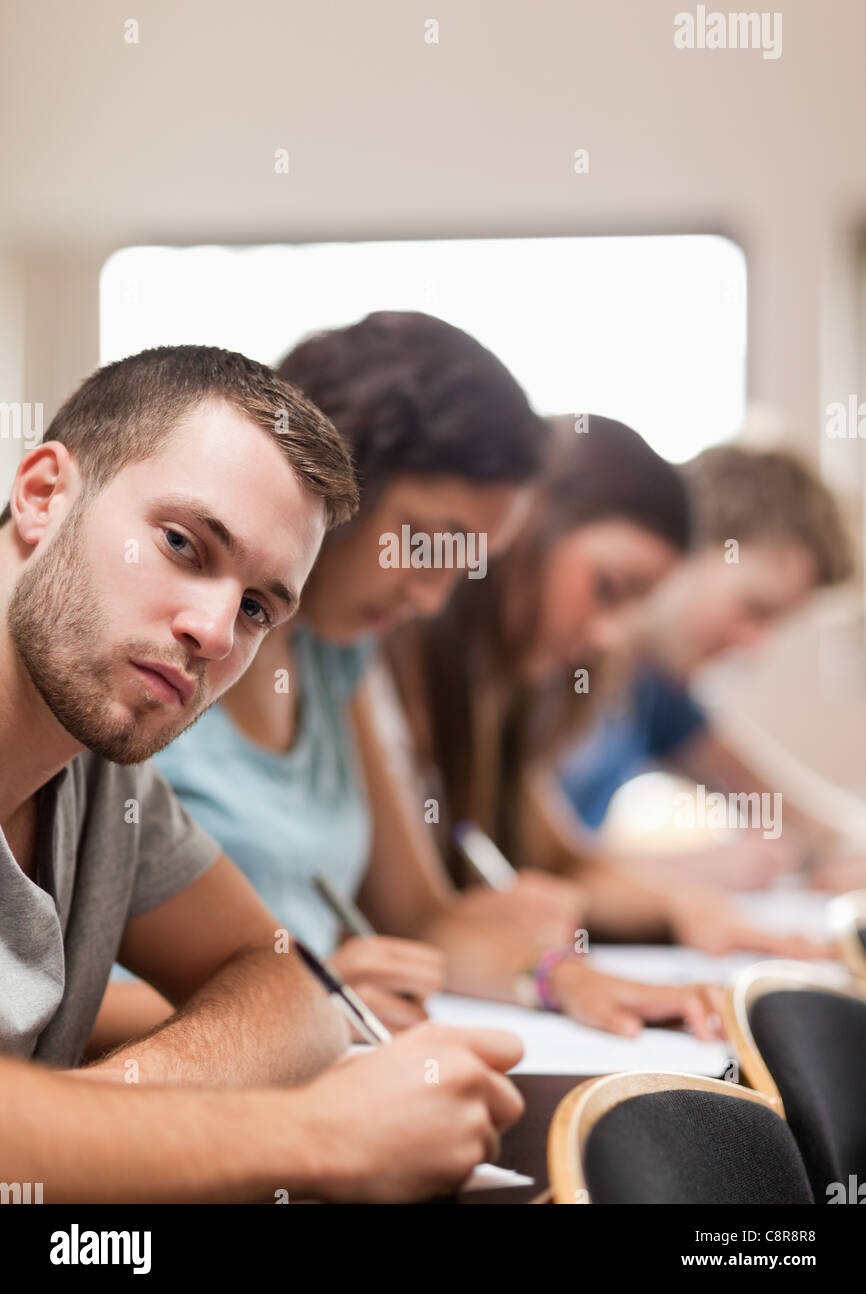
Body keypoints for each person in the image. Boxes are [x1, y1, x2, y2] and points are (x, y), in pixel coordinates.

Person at [97, 330, 726, 1046]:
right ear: (337, 482)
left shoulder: (339, 655)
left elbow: (421, 916)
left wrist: (558, 979)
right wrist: (304, 997)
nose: (430, 603)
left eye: (463, 568)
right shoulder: (157, 658)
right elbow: (64, 997)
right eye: (425, 543)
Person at [0, 343, 524, 1202]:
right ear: (44, 495)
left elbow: (287, 976)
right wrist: (312, 1136)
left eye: (257, 609)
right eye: (182, 544)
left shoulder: (104, 775)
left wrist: (80, 1134)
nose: (213, 630)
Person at [384, 416, 832, 972]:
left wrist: (685, 908)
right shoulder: (389, 658)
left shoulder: (505, 695)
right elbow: (421, 916)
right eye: (610, 588)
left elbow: (560, 861)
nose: (612, 637)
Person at [559, 443, 861, 890]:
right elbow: (506, 863)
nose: (754, 646)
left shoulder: (655, 691)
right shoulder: (557, 654)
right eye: (754, 608)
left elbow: (787, 814)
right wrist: (678, 872)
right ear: (684, 545)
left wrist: (841, 850)